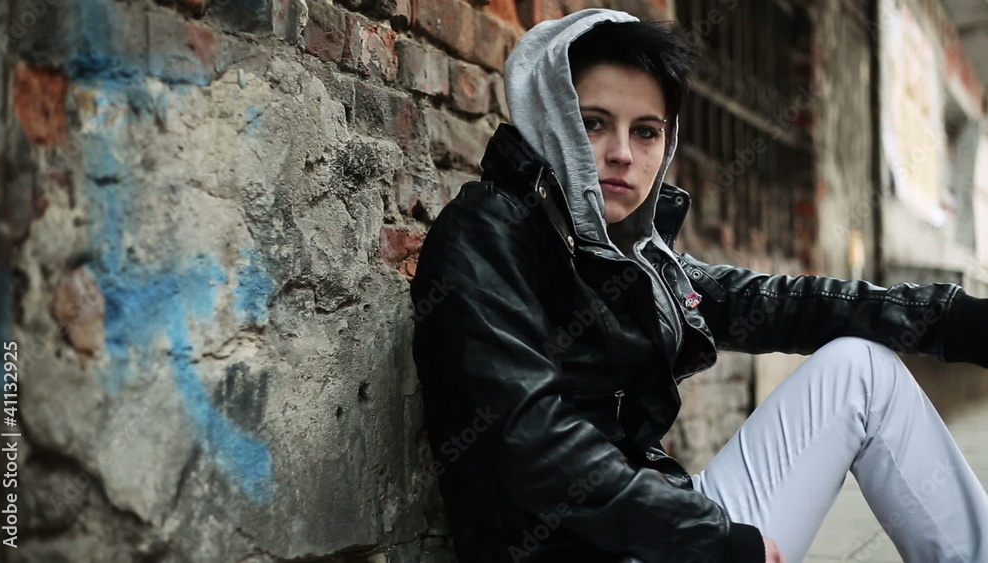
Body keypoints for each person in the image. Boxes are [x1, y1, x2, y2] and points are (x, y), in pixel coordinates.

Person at [409, 8, 988, 562]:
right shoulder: (485, 233)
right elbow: (529, 443)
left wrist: (957, 322)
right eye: (593, 123)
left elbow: (776, 304)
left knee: (862, 371)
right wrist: (713, 542)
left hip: (655, 535)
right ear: (549, 116)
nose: (622, 155)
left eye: (646, 132)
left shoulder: (633, 256)